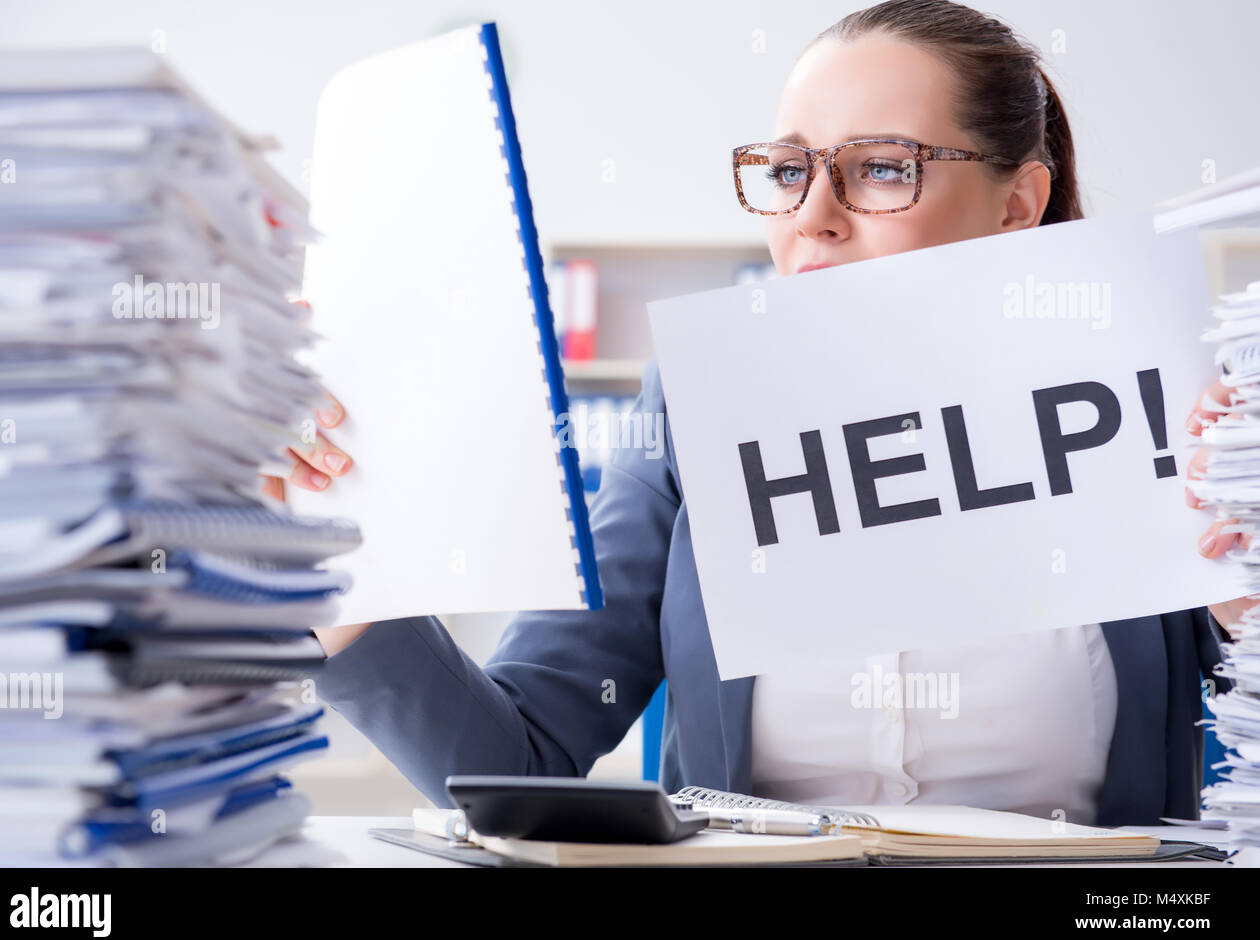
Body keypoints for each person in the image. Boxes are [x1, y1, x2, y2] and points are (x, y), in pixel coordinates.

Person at [270, 0, 1246, 826]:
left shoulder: (1154, 400)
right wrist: (350, 584)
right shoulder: (693, 417)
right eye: (788, 172)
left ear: (1014, 203)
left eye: (880, 168)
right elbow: (512, 766)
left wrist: (1247, 604)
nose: (812, 214)